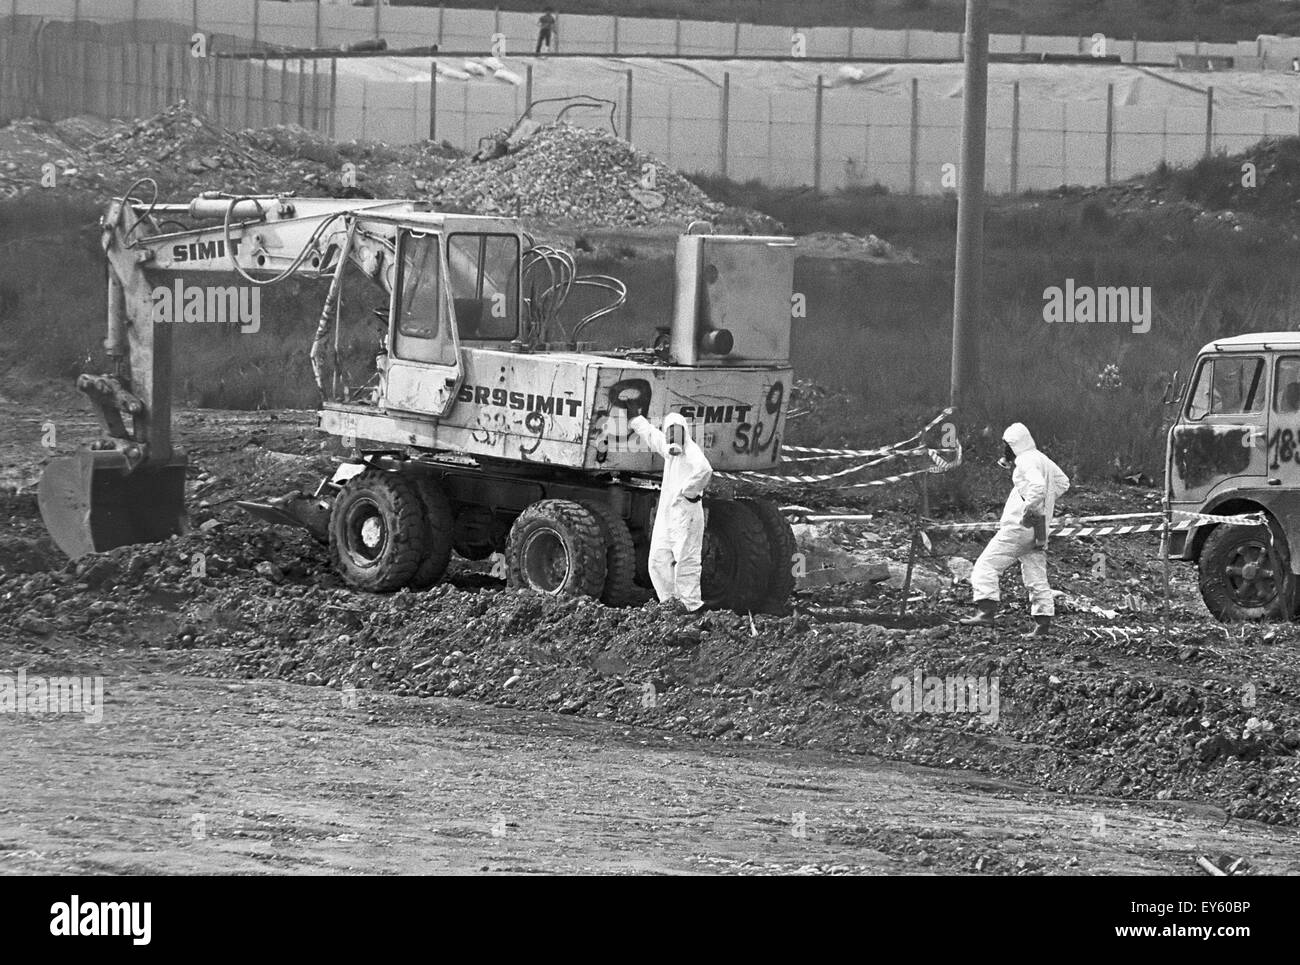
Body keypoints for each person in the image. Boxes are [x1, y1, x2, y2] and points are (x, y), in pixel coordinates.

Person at [960, 423, 1070, 638]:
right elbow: (1063, 483)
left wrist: (1030, 507)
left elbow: (1037, 487)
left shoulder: (1025, 460)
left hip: (1019, 527)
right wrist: (1046, 503)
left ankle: (986, 612)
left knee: (986, 565)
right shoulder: (1042, 459)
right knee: (1036, 575)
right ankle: (1042, 624)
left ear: (1013, 444)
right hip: (1039, 529)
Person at [626, 409, 713, 613]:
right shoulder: (670, 451)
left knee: (686, 561)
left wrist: (688, 492)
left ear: (684, 432)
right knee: (658, 559)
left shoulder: (691, 451)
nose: (673, 436)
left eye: (677, 431)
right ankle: (670, 603)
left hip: (686, 513)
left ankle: (691, 607)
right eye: (670, 431)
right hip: (669, 514)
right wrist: (635, 420)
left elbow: (705, 470)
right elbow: (652, 436)